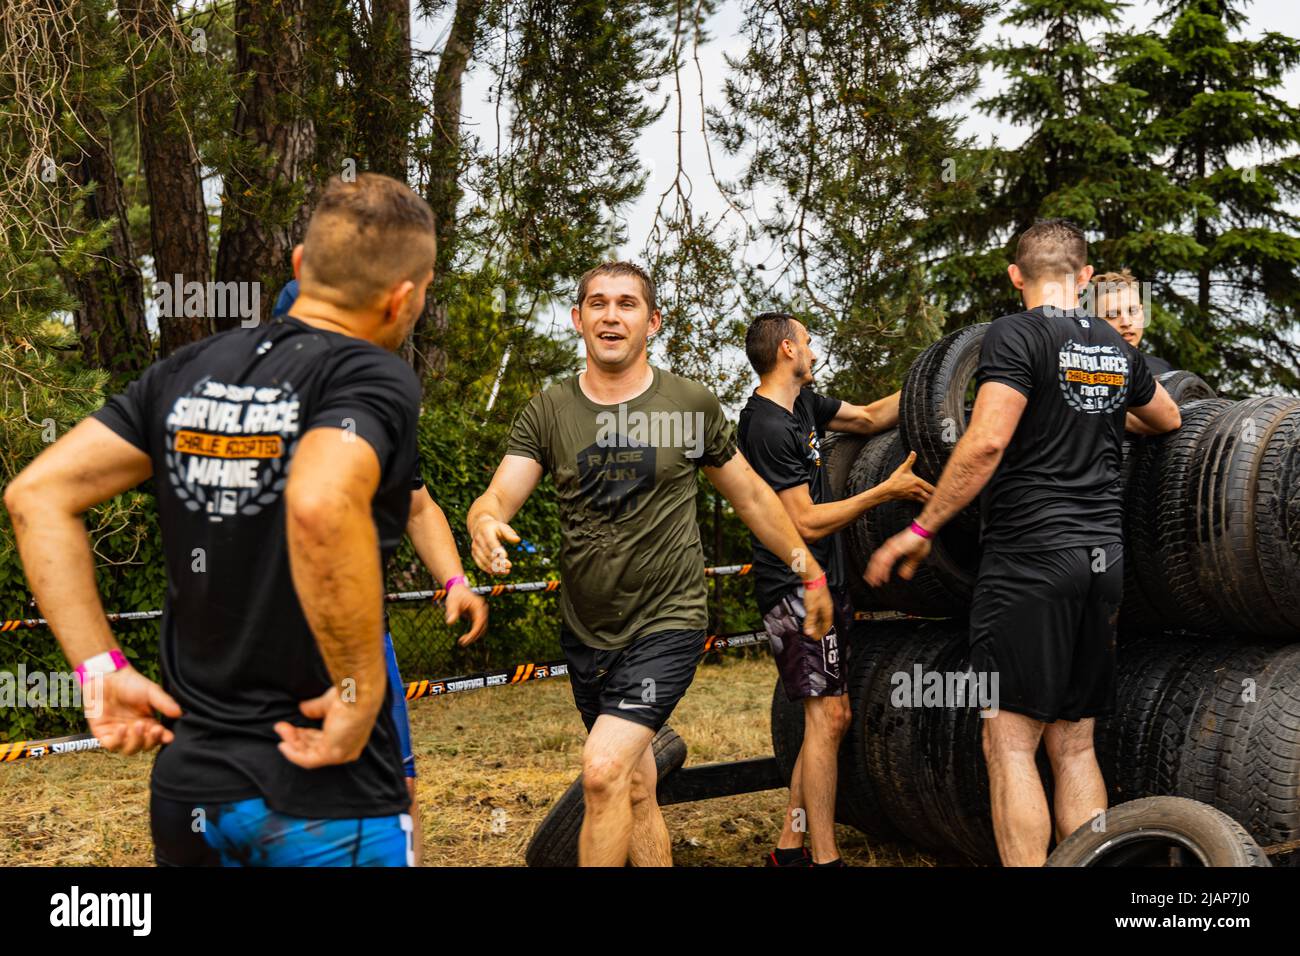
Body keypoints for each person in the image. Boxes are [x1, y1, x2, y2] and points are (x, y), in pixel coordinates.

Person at [5, 172, 474, 866]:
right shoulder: (371, 376)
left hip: (193, 788)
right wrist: (359, 688)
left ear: (299, 266)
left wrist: (99, 669)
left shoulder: (188, 368)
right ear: (404, 298)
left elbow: (36, 495)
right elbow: (319, 501)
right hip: (324, 793)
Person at [467, 261, 833, 867]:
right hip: (587, 632)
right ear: (578, 317)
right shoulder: (549, 409)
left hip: (668, 622)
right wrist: (483, 521)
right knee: (635, 787)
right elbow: (499, 494)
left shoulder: (688, 404)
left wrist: (809, 569)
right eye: (599, 303)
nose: (612, 315)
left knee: (603, 771)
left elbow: (751, 498)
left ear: (652, 321)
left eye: (628, 304)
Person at [865, 219, 1181, 866]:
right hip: (1102, 562)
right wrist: (1091, 406)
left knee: (1008, 743)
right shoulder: (1112, 346)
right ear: (1086, 278)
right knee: (1075, 745)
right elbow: (1167, 418)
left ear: (1016, 277)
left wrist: (921, 530)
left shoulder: (1013, 334)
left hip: (1030, 561)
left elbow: (984, 442)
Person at [272, 279, 489, 866]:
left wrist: (455, 582)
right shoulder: (251, 426)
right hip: (265, 647)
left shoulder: (382, 417)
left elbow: (418, 506)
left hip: (363, 640)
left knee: (398, 786)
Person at [737, 312, 933, 867]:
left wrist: (936, 372)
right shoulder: (767, 426)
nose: (814, 351)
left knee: (832, 719)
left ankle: (788, 848)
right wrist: (884, 492)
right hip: (795, 587)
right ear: (785, 351)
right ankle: (825, 860)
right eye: (807, 342)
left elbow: (871, 417)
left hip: (828, 584)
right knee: (826, 720)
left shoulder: (803, 405)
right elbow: (804, 522)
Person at [1092, 270, 1174, 375]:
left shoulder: (1163, 369)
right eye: (1112, 315)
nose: (1126, 323)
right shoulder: (1084, 373)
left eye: (1133, 311)